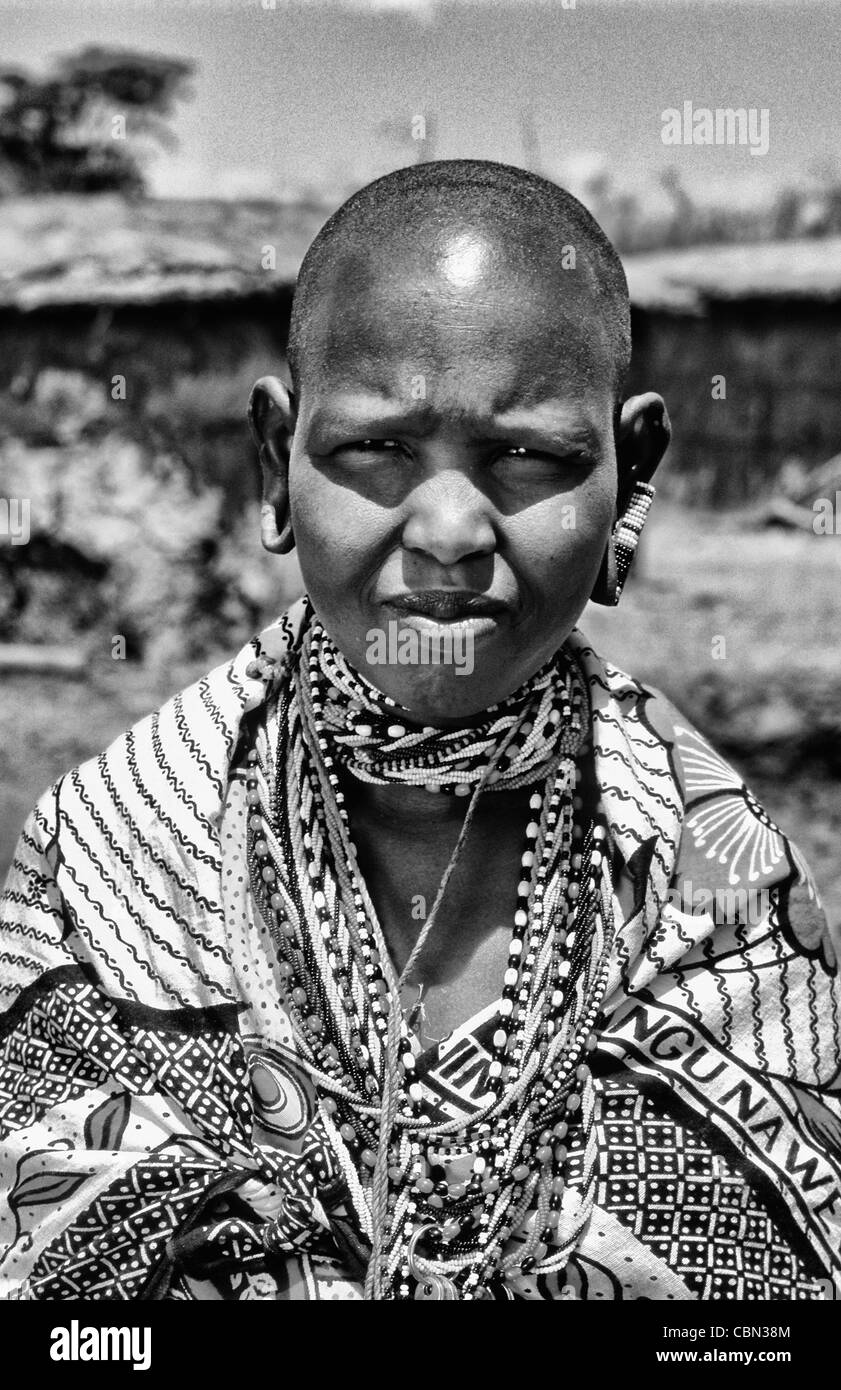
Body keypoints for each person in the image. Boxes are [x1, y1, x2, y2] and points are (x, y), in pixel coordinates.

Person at [1, 160, 839, 1302]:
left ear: (628, 480)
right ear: (274, 464)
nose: (449, 530)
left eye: (529, 456)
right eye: (378, 449)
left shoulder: (722, 901)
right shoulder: (115, 848)